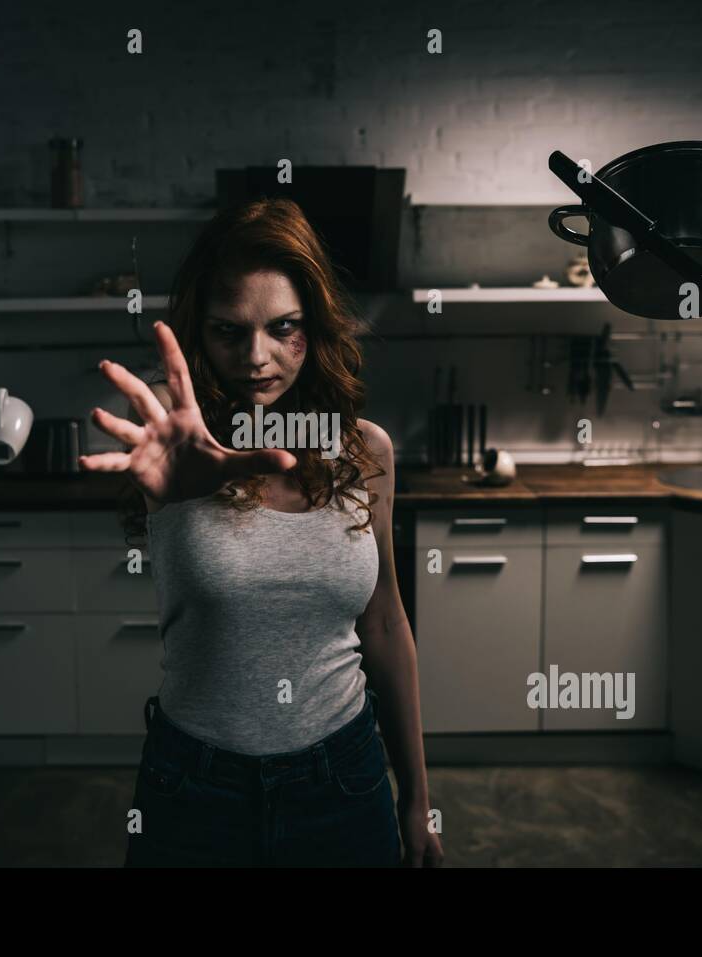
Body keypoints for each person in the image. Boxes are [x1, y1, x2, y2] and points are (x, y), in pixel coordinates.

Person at [80, 198, 443, 867]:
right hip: (194, 788)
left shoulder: (366, 451)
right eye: (229, 330)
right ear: (200, 331)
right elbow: (123, 441)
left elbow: (386, 623)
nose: (257, 357)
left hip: (344, 779)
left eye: (284, 328)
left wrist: (418, 796)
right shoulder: (177, 451)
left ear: (318, 326)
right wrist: (171, 494)